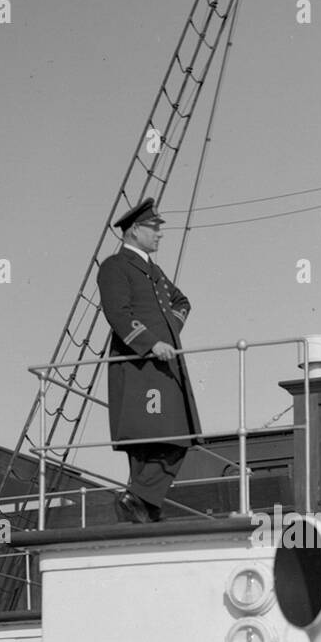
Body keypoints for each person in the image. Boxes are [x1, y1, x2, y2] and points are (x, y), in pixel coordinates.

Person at [97, 198, 202, 522]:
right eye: (154, 228)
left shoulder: (153, 271)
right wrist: (150, 341)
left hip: (162, 368)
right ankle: (143, 502)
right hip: (138, 367)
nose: (159, 234)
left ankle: (141, 501)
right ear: (134, 231)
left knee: (174, 437)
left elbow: (181, 301)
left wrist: (168, 331)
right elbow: (117, 312)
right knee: (149, 440)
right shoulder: (115, 266)